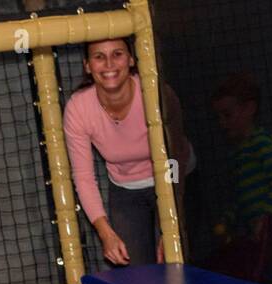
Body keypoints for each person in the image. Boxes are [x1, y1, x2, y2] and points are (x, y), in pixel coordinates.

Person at [63, 37, 193, 268]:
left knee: (176, 267)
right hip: (125, 190)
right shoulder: (79, 108)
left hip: (173, 181)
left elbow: (176, 158)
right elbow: (83, 177)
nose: (109, 64)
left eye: (118, 54)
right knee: (138, 274)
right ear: (87, 65)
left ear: (131, 59)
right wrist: (106, 234)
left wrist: (170, 228)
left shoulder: (155, 94)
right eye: (99, 57)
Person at [210, 73, 272, 284]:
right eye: (219, 117)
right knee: (264, 279)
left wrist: (266, 215)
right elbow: (241, 196)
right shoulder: (237, 152)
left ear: (249, 109)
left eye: (227, 114)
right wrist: (229, 219)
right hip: (261, 232)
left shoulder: (260, 142)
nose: (222, 123)